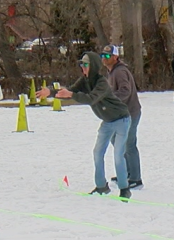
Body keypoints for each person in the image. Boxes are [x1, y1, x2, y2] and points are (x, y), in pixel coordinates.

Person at [37, 52, 132, 199]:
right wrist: (50, 91)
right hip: (107, 122)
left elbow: (91, 99)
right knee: (97, 153)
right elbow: (70, 90)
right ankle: (101, 186)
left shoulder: (102, 83)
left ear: (93, 66)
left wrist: (71, 95)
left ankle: (124, 189)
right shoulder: (84, 80)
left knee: (118, 155)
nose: (83, 67)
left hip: (121, 120)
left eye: (86, 64)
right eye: (81, 64)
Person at [101, 45, 142, 189]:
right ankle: (125, 173)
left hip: (130, 112)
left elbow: (125, 90)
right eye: (103, 56)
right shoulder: (111, 72)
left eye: (107, 56)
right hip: (119, 115)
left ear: (115, 57)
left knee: (129, 144)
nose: (104, 59)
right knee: (117, 141)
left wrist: (111, 100)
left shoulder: (120, 72)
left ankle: (136, 179)